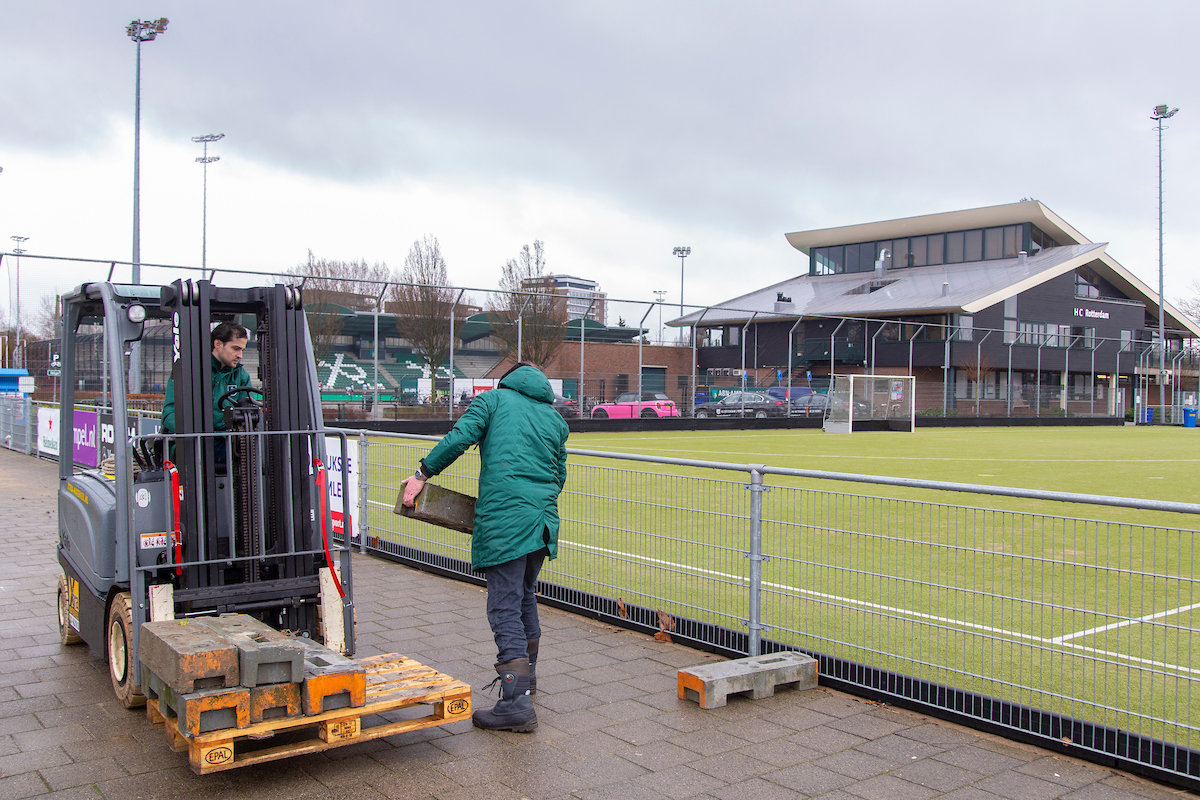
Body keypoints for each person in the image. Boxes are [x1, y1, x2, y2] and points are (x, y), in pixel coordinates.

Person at [400, 362, 569, 733]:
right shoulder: (554, 419)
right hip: (542, 522)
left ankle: (516, 703)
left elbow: (459, 439)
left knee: (503, 604)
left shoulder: (491, 401)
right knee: (525, 596)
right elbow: (559, 474)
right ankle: (528, 680)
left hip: (507, 519)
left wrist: (420, 476)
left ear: (506, 379)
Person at [161, 321, 253, 435]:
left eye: (242, 350)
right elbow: (170, 413)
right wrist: (191, 433)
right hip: (194, 442)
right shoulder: (188, 371)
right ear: (218, 344)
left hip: (227, 442)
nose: (240, 355)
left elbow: (247, 412)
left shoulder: (240, 375)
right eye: (235, 348)